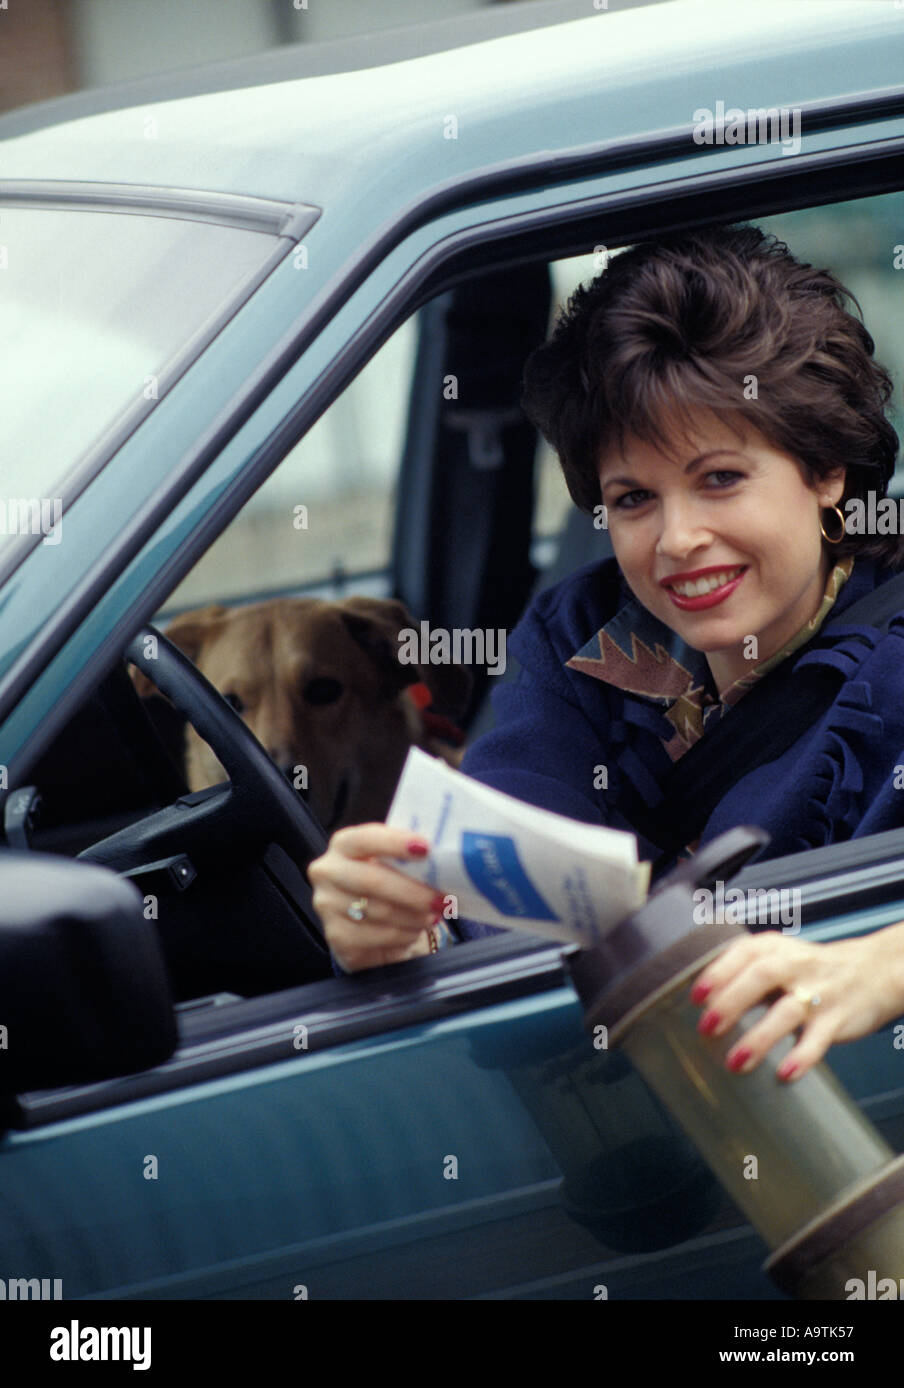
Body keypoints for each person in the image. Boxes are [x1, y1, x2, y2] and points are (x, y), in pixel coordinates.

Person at [309, 223, 904, 1083]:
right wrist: (400, 928)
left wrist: (879, 967)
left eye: (721, 479)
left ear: (825, 471)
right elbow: (499, 896)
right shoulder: (577, 633)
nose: (679, 539)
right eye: (634, 499)